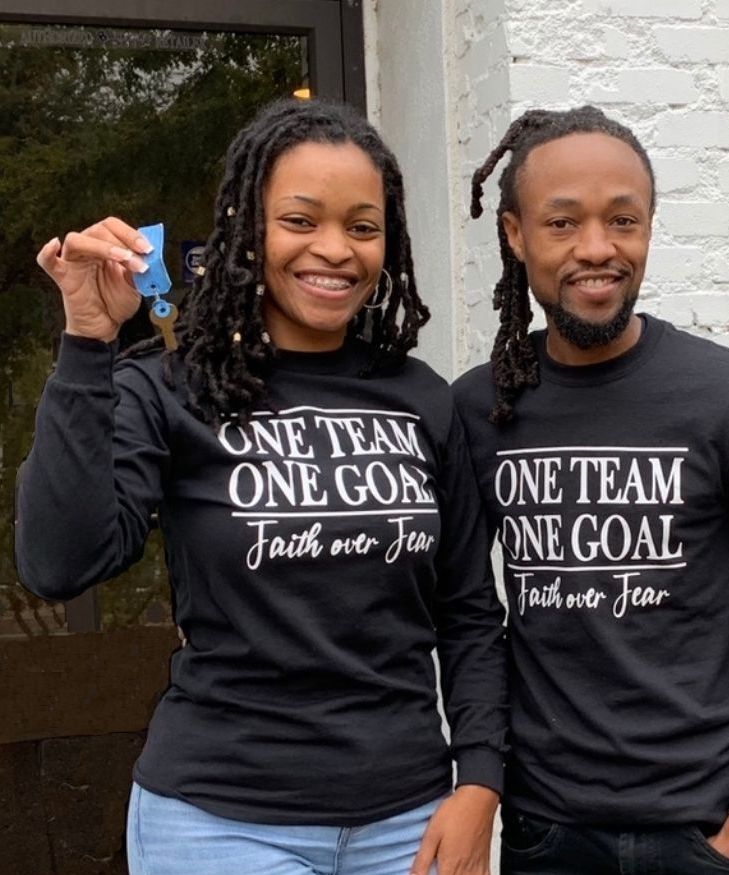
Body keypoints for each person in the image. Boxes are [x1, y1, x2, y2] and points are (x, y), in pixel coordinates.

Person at [15, 98, 506, 875]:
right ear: (249, 227)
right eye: (301, 220)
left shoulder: (421, 398)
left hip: (407, 819)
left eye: (362, 226)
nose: (334, 250)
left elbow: (469, 612)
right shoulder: (173, 385)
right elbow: (59, 561)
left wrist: (479, 779)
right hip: (220, 824)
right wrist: (87, 340)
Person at [452, 106, 729, 875]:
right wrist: (482, 779)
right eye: (562, 224)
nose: (597, 248)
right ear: (515, 234)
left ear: (649, 225)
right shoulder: (480, 408)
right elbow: (468, 616)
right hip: (545, 830)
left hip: (703, 830)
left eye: (621, 219)